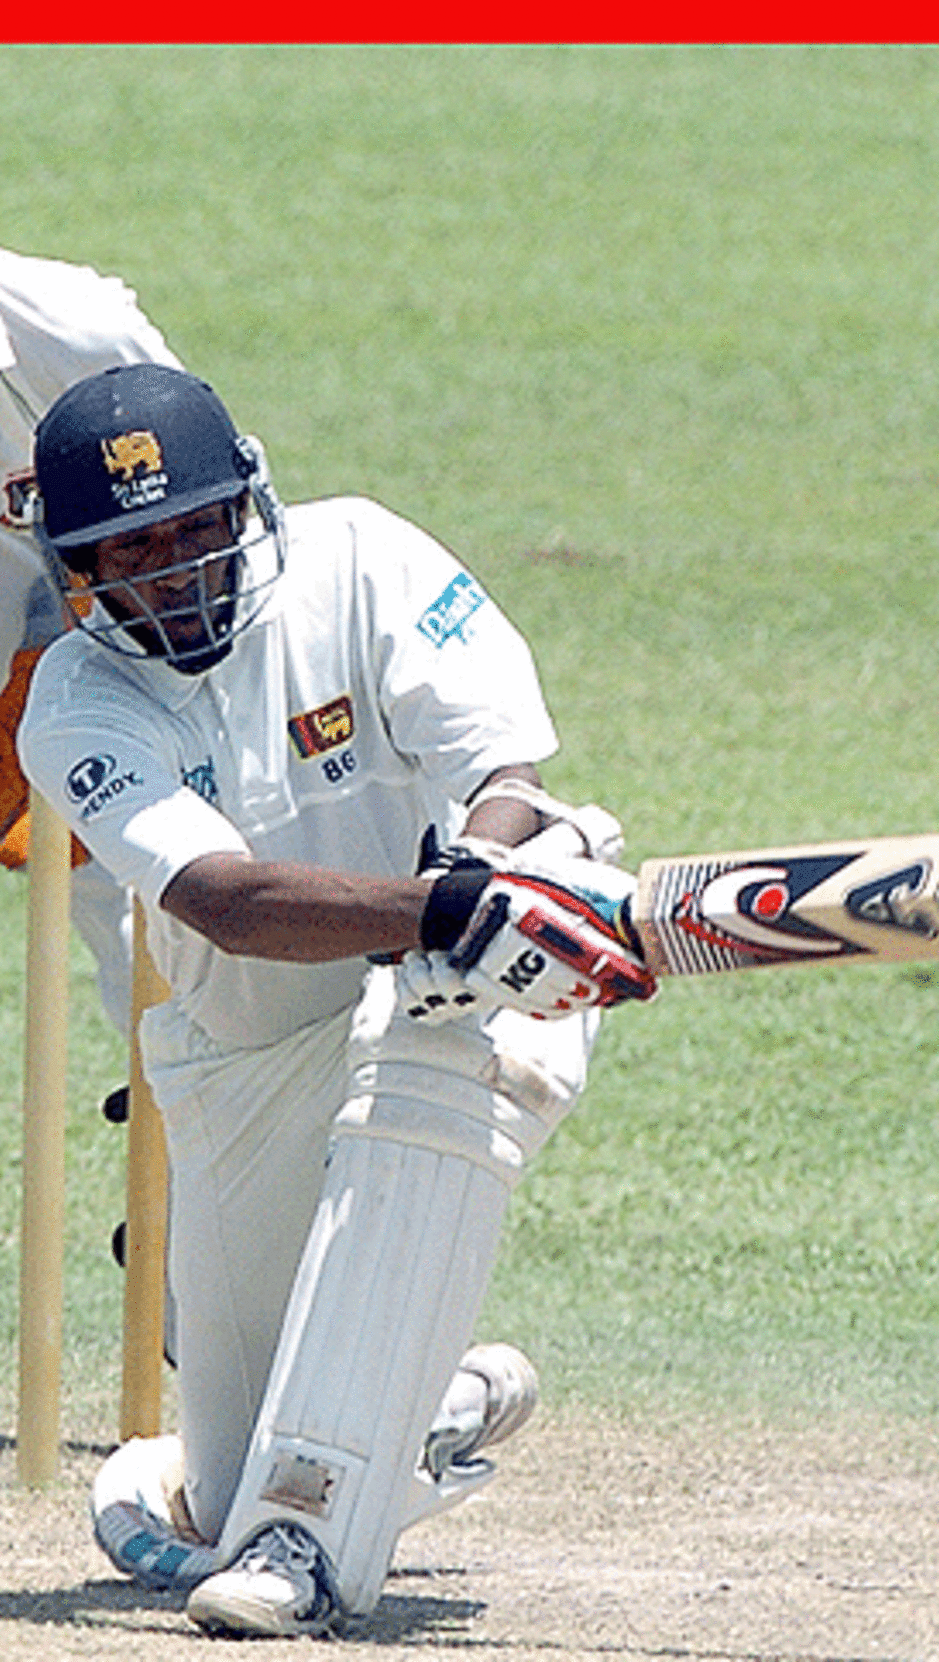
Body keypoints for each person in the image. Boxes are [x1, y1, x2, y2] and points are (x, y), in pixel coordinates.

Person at [18, 362, 657, 1637]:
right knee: (226, 1486)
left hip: (474, 978)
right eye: (133, 549)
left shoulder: (363, 557)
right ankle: (426, 1404)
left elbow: (503, 768)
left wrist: (483, 881)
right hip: (243, 1052)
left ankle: (309, 1545)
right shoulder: (75, 702)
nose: (180, 569)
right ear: (80, 572)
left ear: (247, 500)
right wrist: (431, 908)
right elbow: (225, 901)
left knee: (425, 1029)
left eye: (199, 527)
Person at [1, 247, 184, 1029]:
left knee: (138, 869)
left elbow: (194, 509)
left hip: (105, 598)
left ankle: (180, 1089)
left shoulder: (80, 330)